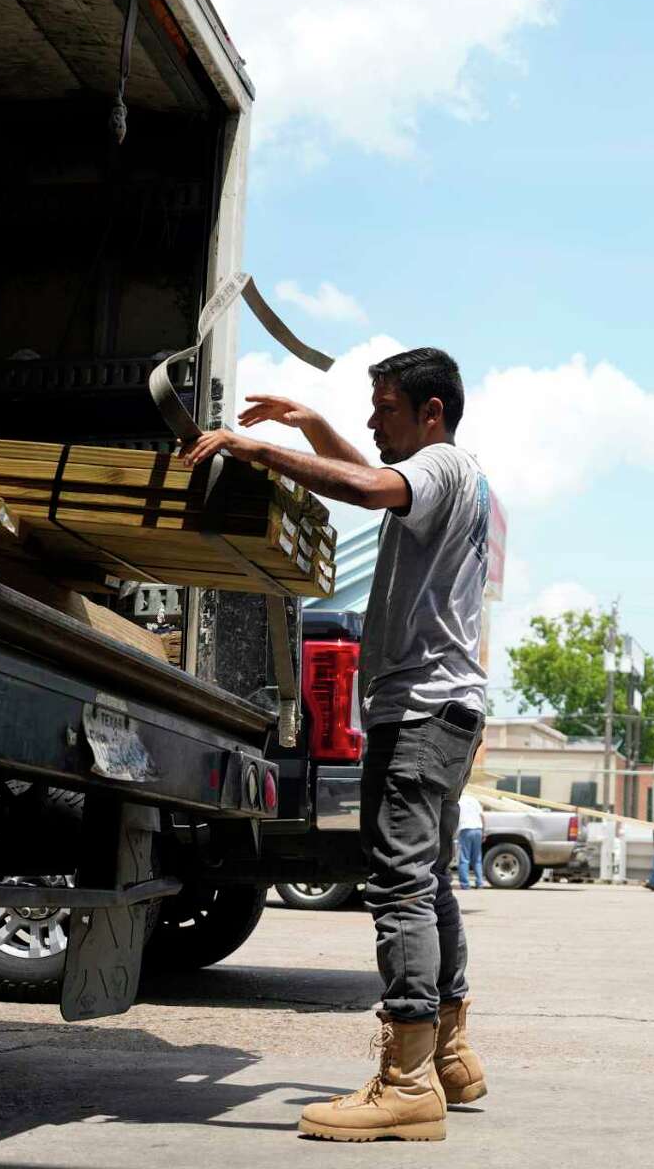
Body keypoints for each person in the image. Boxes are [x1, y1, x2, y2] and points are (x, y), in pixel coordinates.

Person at [185, 347, 490, 1144]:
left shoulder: (444, 466)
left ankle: (407, 1081)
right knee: (427, 882)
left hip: (423, 710)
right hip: (439, 709)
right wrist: (313, 424)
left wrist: (257, 449)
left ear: (431, 413)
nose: (370, 421)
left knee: (397, 884)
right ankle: (449, 1058)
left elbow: (364, 486)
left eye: (383, 409)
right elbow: (371, 480)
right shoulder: (447, 478)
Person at [456, 792, 484, 890]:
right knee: (477, 859)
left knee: (464, 858)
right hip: (478, 829)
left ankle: (465, 884)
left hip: (466, 829)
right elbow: (482, 816)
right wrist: (483, 831)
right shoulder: (474, 800)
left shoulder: (459, 801)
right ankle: (480, 883)